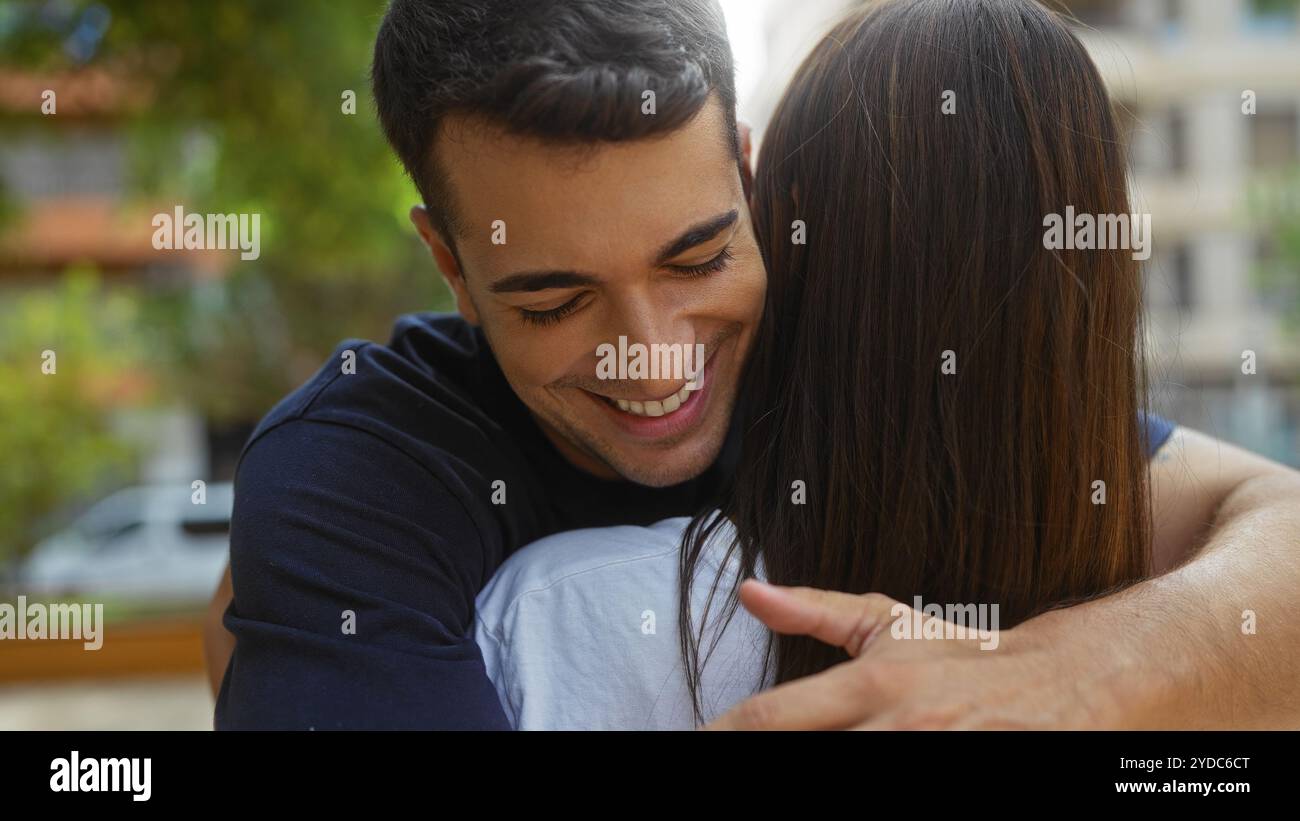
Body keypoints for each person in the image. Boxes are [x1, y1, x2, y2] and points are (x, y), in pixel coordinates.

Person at [209, 0, 1300, 730]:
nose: (655, 353)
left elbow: (1275, 519)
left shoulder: (845, 350)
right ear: (447, 259)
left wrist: (1079, 674)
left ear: (749, 174)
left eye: (698, 255)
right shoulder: (357, 475)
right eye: (555, 299)